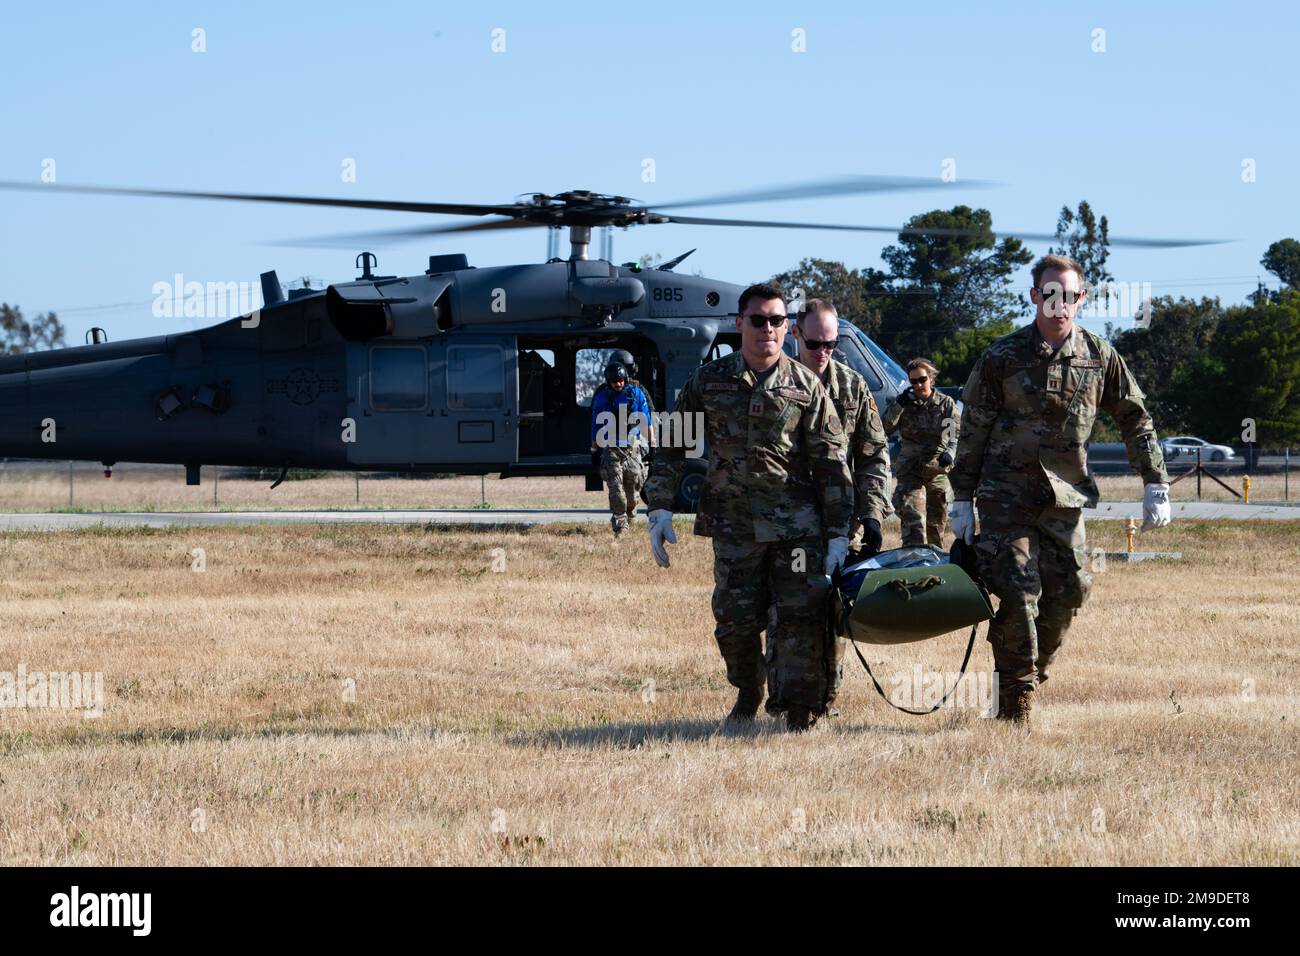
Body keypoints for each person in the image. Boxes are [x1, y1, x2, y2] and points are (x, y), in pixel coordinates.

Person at [951, 254, 1171, 723]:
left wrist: (1155, 481)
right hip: (1004, 495)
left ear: (1081, 298)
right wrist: (961, 498)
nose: (1058, 304)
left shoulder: (1099, 356)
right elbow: (972, 429)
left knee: (1071, 591)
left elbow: (1135, 419)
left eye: (1067, 295)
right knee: (1017, 590)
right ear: (1034, 297)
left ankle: (1023, 676)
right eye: (1049, 294)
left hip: (1065, 498)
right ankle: (1015, 702)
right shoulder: (1001, 357)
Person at [644, 283, 853, 732]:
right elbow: (672, 445)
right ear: (739, 324)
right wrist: (659, 505)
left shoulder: (806, 386)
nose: (768, 329)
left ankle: (798, 711)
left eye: (777, 321)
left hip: (796, 528)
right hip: (734, 525)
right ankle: (748, 688)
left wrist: (838, 533)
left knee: (798, 618)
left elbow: (833, 464)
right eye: (758, 320)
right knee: (734, 623)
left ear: (787, 327)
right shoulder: (710, 381)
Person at [791, 298, 890, 712]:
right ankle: (789, 699)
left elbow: (873, 454)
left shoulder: (852, 387)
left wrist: (871, 513)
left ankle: (825, 700)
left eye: (831, 344)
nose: (823, 353)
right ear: (796, 335)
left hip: (838, 522)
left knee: (833, 610)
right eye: (815, 344)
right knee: (791, 612)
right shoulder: (779, 382)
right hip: (787, 521)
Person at [881, 358, 959, 547]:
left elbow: (954, 435)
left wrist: (949, 453)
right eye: (913, 381)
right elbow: (884, 428)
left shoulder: (945, 404)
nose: (918, 385)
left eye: (922, 380)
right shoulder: (903, 404)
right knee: (913, 519)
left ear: (931, 379)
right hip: (910, 470)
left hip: (935, 469)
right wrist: (899, 404)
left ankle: (935, 564)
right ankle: (912, 559)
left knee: (935, 526)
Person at [590, 360, 652, 536]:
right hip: (611, 449)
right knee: (616, 490)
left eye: (621, 380)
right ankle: (620, 525)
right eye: (614, 381)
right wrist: (594, 450)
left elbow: (646, 420)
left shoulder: (637, 394)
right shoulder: (602, 397)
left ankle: (631, 515)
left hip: (633, 449)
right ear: (608, 382)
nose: (618, 384)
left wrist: (652, 444)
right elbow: (595, 425)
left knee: (632, 493)